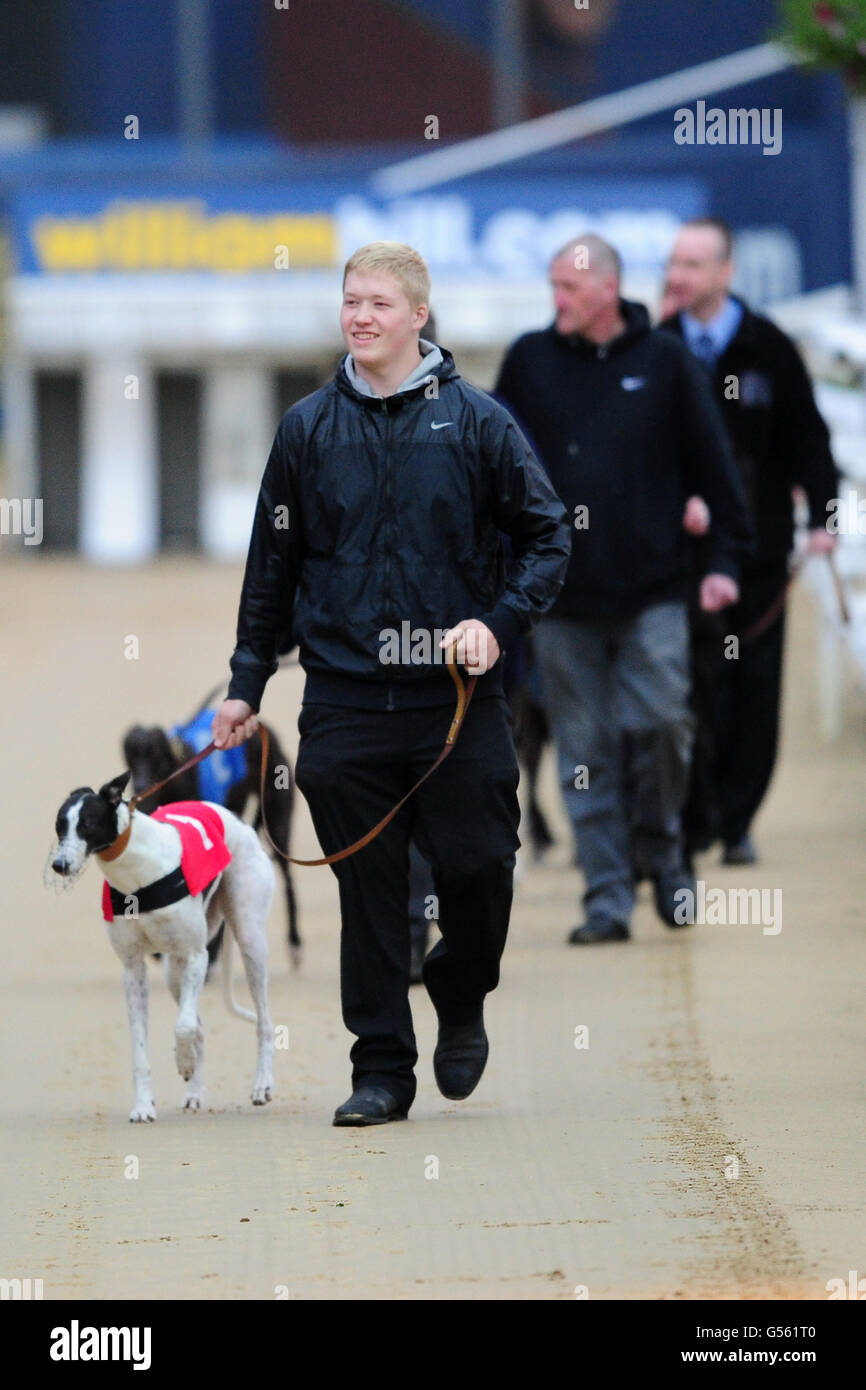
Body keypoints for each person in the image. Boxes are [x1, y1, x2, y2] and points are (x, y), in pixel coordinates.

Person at [212, 241, 570, 1124]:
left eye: (379, 303)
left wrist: (497, 622)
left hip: (455, 699)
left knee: (480, 866)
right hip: (342, 699)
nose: (361, 316)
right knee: (368, 889)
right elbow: (272, 566)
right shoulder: (306, 430)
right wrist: (246, 684)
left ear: (418, 317)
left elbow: (550, 537)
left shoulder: (481, 424)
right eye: (350, 301)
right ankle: (380, 1069)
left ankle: (459, 987)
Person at [494, 233, 751, 944]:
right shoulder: (529, 360)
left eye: (567, 288)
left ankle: (665, 856)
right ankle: (606, 895)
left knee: (664, 724)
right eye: (551, 288)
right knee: (584, 751)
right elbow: (490, 466)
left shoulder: (665, 361)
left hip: (655, 589)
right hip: (558, 599)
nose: (557, 302)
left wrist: (726, 561)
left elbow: (715, 466)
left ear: (607, 288)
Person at [661, 218, 839, 864]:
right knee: (691, 689)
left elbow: (811, 442)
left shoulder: (770, 349)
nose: (678, 277)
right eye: (674, 264)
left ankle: (735, 821)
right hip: (683, 561)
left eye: (692, 265)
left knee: (753, 688)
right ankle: (689, 818)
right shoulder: (658, 348)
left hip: (761, 554)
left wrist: (826, 522)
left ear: (725, 272)